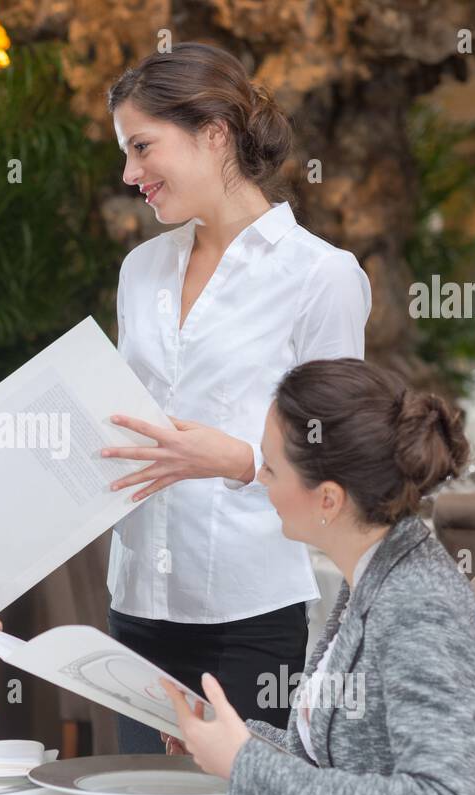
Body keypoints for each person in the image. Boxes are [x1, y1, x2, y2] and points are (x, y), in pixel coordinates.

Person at [101, 42, 371, 751]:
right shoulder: (140, 270)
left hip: (250, 615)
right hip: (136, 611)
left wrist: (240, 459)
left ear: (214, 133)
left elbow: (345, 457)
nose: (130, 174)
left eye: (141, 147)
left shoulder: (321, 277)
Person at [162, 358, 475, 795]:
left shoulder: (418, 604)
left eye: (270, 467)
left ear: (329, 500)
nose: (260, 480)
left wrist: (247, 764)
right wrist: (229, 742)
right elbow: (338, 767)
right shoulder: (370, 572)